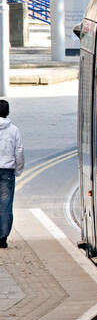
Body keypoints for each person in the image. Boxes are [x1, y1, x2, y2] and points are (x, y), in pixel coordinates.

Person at [0, 99, 24, 248]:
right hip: (7, 171)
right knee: (5, 205)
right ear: (7, 112)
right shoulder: (14, 130)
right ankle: (2, 238)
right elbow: (19, 151)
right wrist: (18, 169)